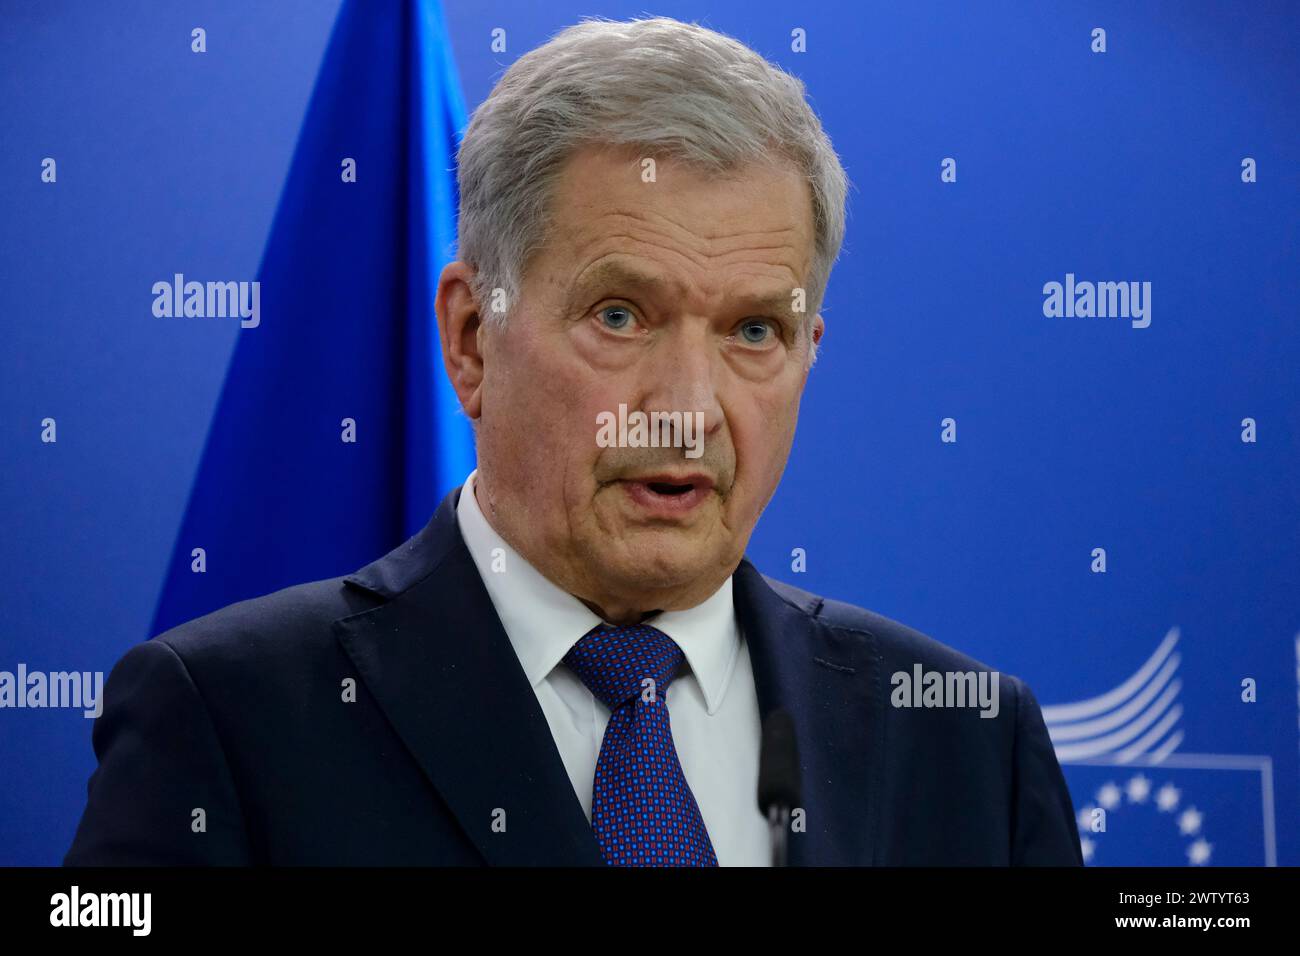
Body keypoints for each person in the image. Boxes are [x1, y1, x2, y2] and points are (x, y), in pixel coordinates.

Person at [65, 16, 1083, 866]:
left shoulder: (965, 743)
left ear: (808, 352)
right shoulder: (229, 719)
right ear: (471, 338)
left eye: (753, 331)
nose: (687, 405)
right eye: (619, 315)